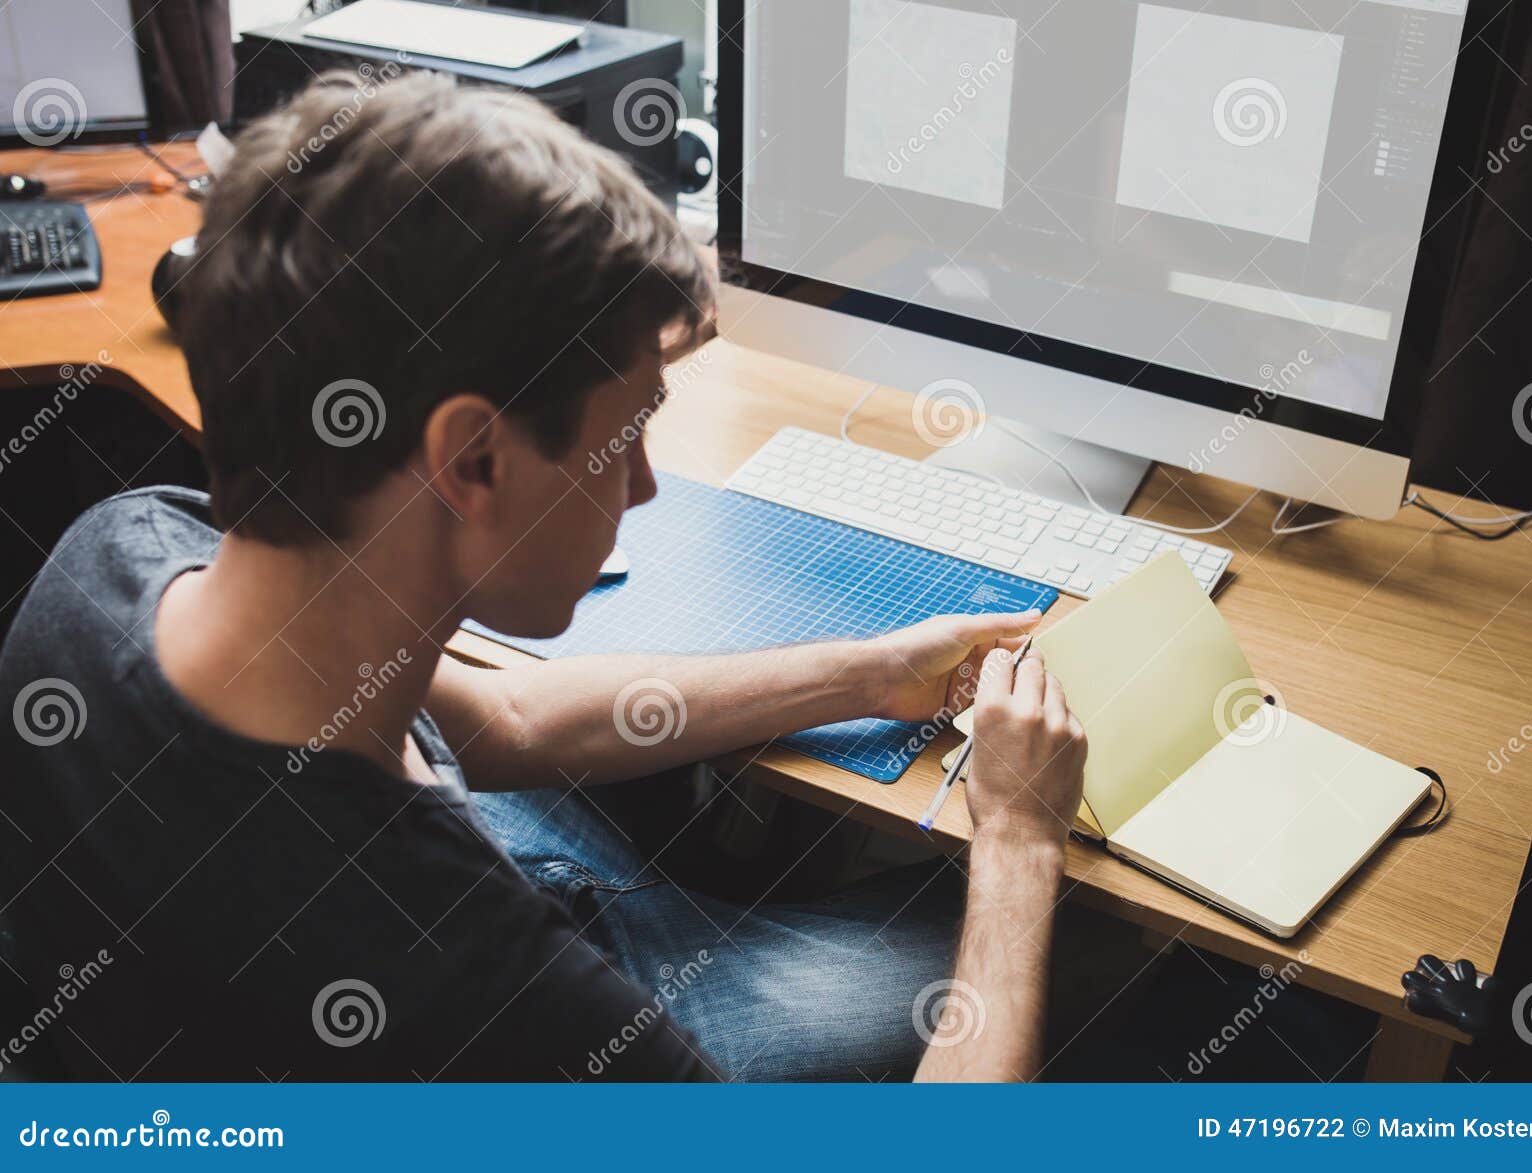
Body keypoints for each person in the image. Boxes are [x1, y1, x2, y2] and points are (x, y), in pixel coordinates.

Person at [0, 71, 1086, 1081]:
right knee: (1092, 959)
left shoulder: (121, 547)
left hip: (475, 885)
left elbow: (507, 718)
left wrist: (871, 671)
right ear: (473, 460)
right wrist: (1020, 842)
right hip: (517, 980)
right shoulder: (463, 982)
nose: (648, 489)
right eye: (627, 441)